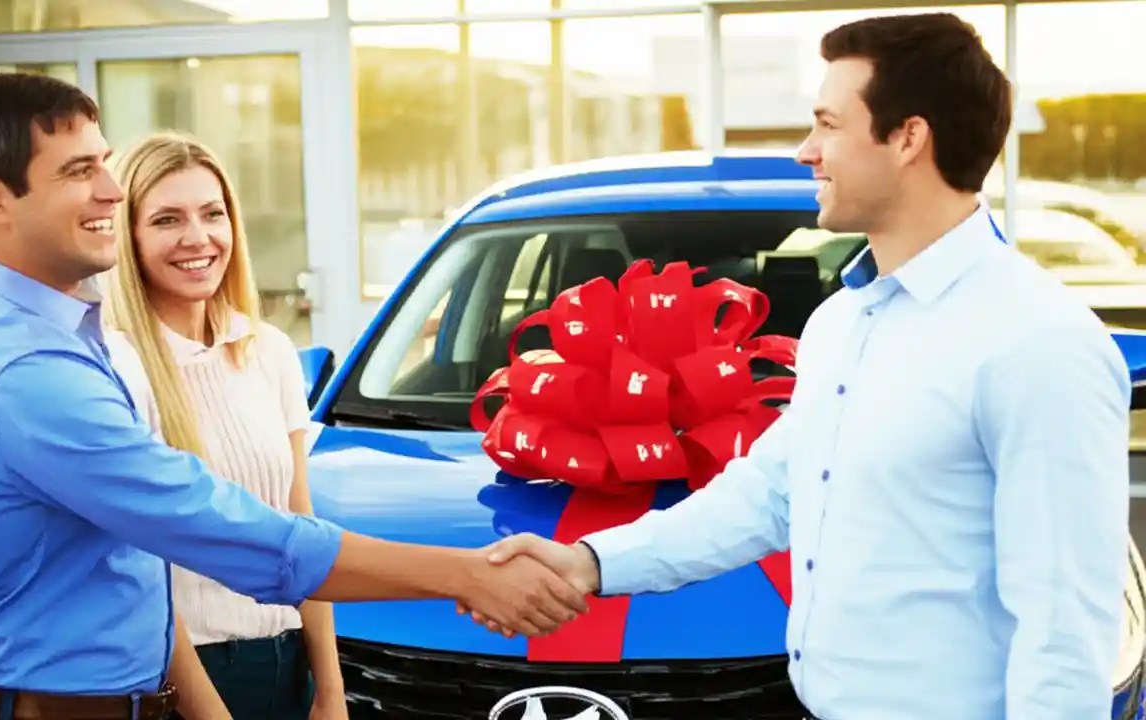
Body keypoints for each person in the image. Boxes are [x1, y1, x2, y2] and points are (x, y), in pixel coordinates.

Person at [470, 12, 1131, 720]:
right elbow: (768, 495)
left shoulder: (1037, 341)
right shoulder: (841, 323)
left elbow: (1066, 633)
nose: (805, 152)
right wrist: (592, 563)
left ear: (908, 138)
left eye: (827, 124)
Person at [0, 72, 586, 720]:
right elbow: (211, 524)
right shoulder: (27, 367)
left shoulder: (55, 331)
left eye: (104, 163)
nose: (110, 190)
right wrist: (465, 575)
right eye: (77, 172)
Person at [100, 131, 345, 720]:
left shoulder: (270, 350)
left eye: (212, 214)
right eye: (167, 219)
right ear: (128, 236)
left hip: (289, 667)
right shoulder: (116, 366)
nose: (198, 238)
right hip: (188, 681)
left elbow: (301, 527)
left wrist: (331, 691)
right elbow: (142, 575)